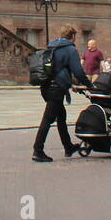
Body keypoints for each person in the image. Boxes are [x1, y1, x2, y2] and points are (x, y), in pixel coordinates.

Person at [33, 25, 96, 162]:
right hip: (56, 89)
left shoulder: (52, 47)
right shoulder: (70, 49)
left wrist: (70, 84)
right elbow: (78, 71)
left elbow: (58, 69)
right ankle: (37, 150)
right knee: (47, 119)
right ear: (72, 36)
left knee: (61, 117)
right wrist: (90, 85)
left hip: (46, 86)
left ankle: (68, 147)